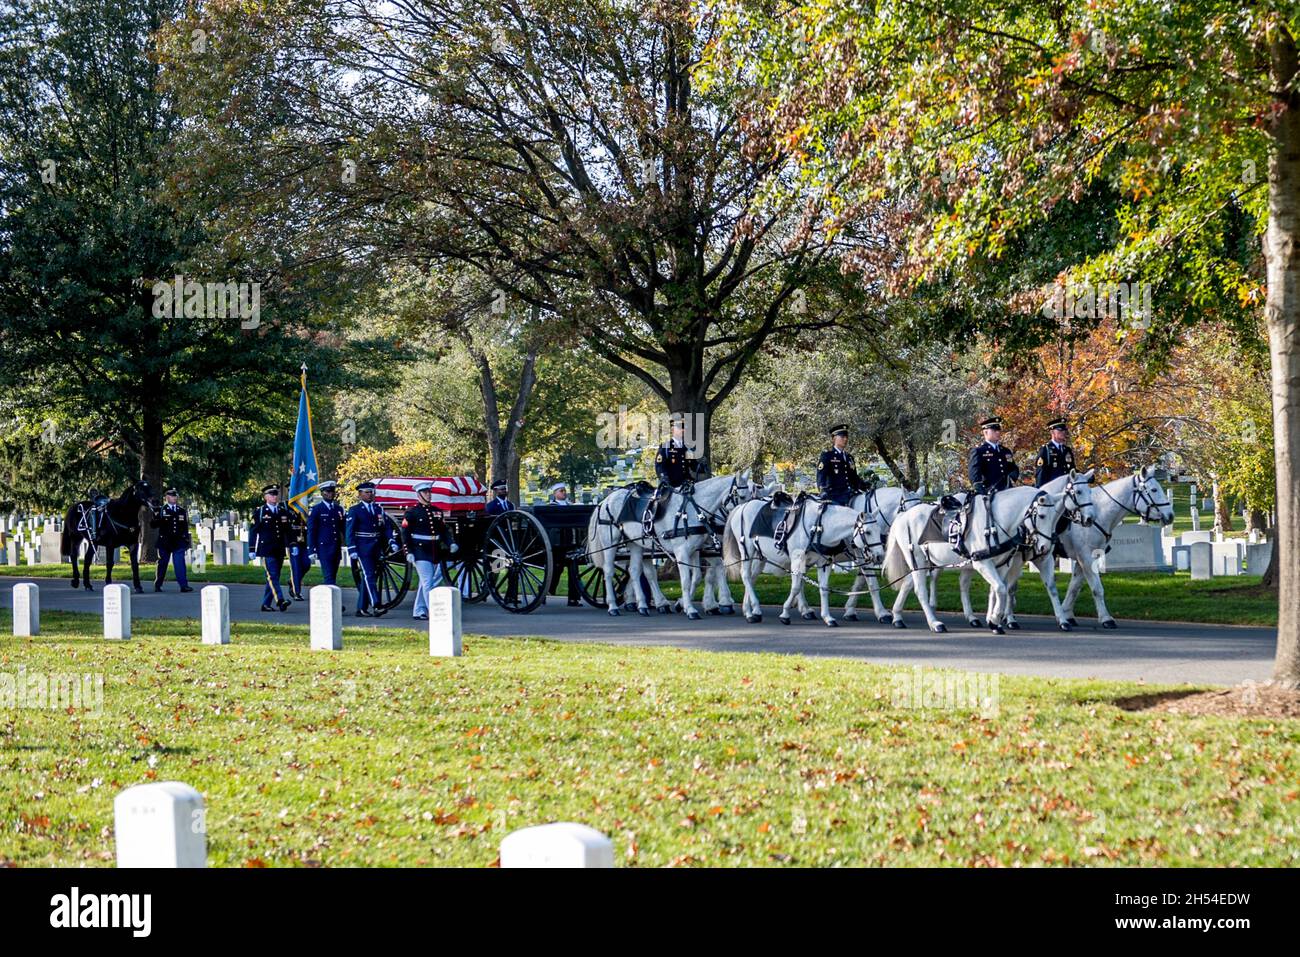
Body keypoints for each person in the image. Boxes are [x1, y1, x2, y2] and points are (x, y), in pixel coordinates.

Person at [401, 481, 459, 621]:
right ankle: (434, 612)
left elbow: (443, 530)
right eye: (426, 492)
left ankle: (419, 610)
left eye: (429, 492)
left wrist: (450, 543)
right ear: (419, 494)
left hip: (434, 550)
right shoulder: (412, 512)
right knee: (428, 582)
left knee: (425, 582)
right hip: (419, 550)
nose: (429, 494)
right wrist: (408, 551)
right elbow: (405, 533)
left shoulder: (436, 511)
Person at [346, 480, 396, 617]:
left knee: (370, 577)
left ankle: (361, 608)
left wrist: (391, 540)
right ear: (360, 494)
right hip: (362, 548)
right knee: (369, 575)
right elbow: (349, 531)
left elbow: (386, 527)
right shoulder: (355, 510)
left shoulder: (378, 509)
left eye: (372, 492)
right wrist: (352, 549)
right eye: (367, 492)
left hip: (376, 547)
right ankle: (376, 605)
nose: (370, 495)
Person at [250, 484, 294, 612]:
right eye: (271, 494)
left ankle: (265, 604)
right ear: (265, 497)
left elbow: (288, 530)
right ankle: (280, 600)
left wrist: (292, 544)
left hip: (279, 549)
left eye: (276, 494)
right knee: (272, 576)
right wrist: (252, 549)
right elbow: (253, 531)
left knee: (273, 577)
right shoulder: (261, 512)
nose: (275, 496)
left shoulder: (282, 511)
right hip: (266, 549)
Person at [308, 480, 346, 608]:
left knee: (332, 576)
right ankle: (335, 605)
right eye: (328, 492)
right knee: (329, 576)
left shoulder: (338, 509)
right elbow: (312, 531)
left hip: (335, 547)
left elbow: (343, 528)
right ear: (322, 493)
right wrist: (311, 550)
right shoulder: (317, 510)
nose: (331, 494)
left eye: (332, 492)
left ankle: (330, 602)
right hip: (323, 548)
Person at [151, 487, 193, 593]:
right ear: (167, 498)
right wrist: (156, 516)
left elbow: (185, 527)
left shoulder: (181, 511)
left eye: (176, 496)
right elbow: (153, 525)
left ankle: (184, 585)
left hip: (178, 542)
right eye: (172, 496)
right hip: (165, 542)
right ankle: (158, 584)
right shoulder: (161, 510)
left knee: (179, 563)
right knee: (162, 563)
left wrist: (186, 540)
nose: (175, 498)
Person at [816, 424, 870, 506]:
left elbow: (854, 477)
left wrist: (864, 485)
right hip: (834, 496)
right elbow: (821, 475)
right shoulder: (827, 456)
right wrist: (822, 490)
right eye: (842, 437)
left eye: (846, 437)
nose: (845, 439)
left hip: (850, 494)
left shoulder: (849, 457)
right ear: (834, 438)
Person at [968, 417, 1020, 494]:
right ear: (985, 432)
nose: (998, 432)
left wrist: (1013, 477)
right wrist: (979, 487)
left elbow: (1012, 468)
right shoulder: (979, 451)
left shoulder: (1005, 451)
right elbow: (974, 473)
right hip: (990, 492)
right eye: (994, 430)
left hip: (1008, 490)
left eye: (998, 430)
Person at [1034, 418, 1076, 487]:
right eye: (1060, 430)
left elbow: (1072, 470)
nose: (1063, 432)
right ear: (1052, 432)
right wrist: (1041, 491)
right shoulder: (1046, 449)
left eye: (1064, 430)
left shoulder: (1067, 450)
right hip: (1052, 490)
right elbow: (1041, 473)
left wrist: (1084, 476)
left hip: (1066, 489)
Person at [286, 506, 311, 601]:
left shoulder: (304, 506)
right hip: (292, 543)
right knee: (295, 567)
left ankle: (292, 581)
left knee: (306, 564)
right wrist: (288, 543)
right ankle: (297, 592)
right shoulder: (286, 508)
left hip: (303, 542)